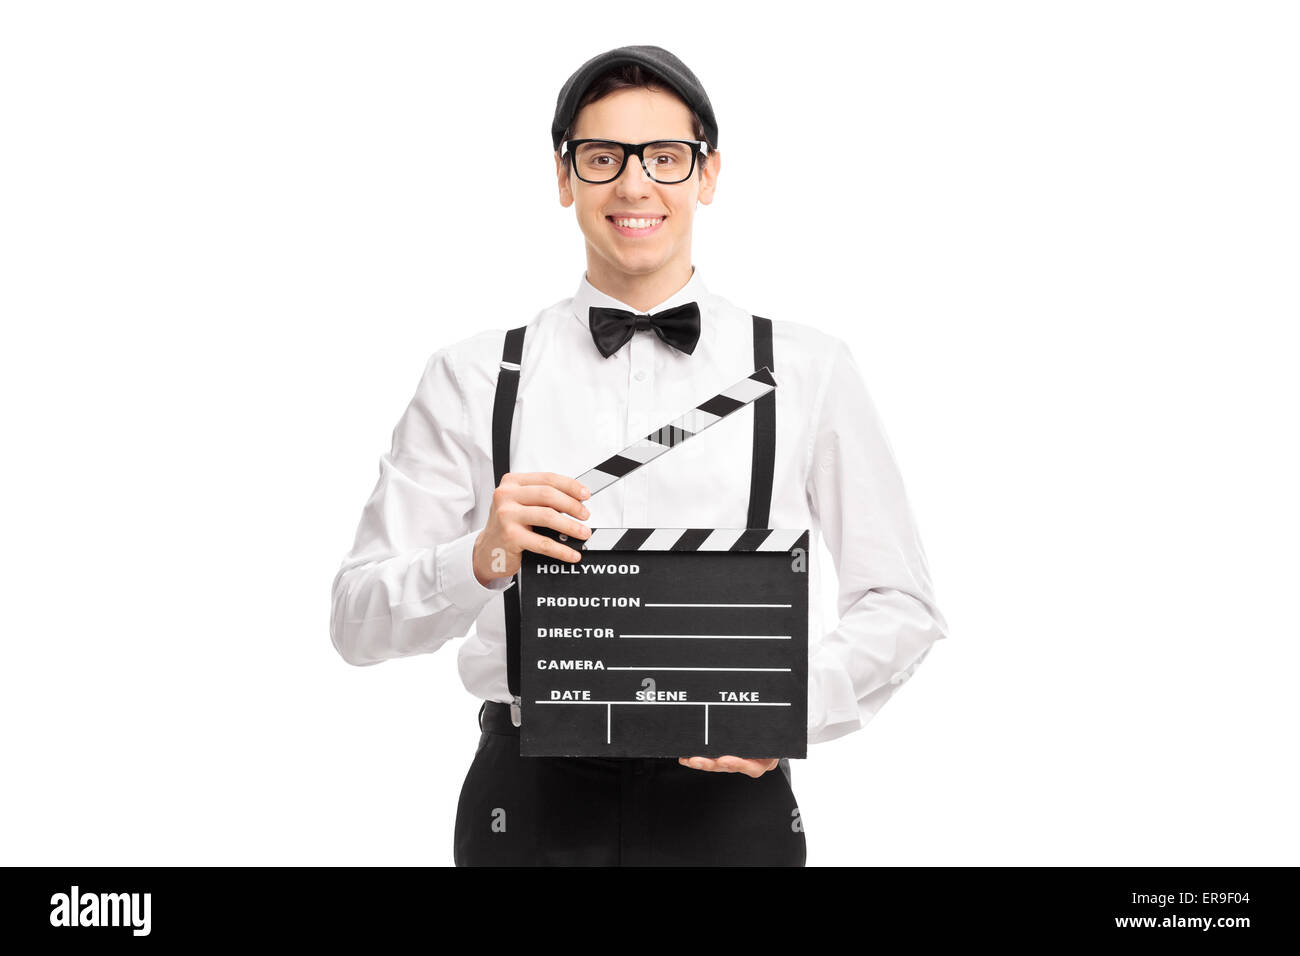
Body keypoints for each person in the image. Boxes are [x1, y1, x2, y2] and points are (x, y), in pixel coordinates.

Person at [329, 44, 949, 866]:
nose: (634, 185)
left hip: (733, 802)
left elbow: (903, 601)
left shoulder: (807, 368)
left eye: (664, 156)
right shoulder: (473, 375)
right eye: (601, 158)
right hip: (528, 801)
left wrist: (789, 708)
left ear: (708, 173)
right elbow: (355, 621)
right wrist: (476, 560)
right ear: (564, 179)